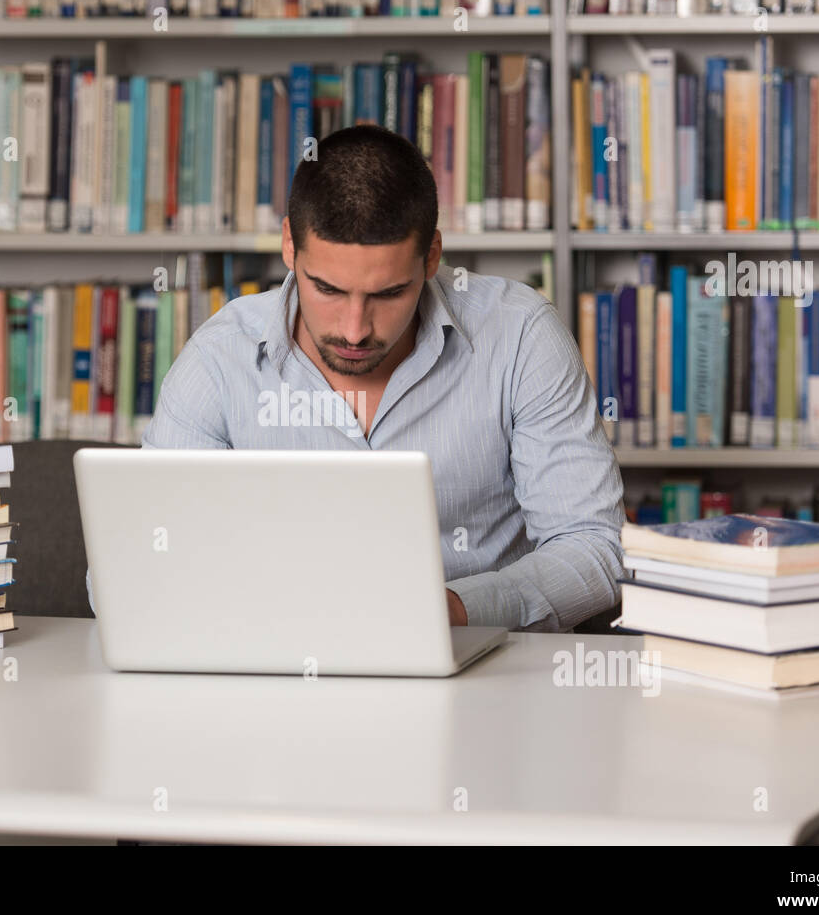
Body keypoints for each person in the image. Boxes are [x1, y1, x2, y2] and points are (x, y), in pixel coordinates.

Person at [88, 124, 624, 631]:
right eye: (327, 289)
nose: (354, 330)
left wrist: (455, 611)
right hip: (273, 682)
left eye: (388, 294)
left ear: (431, 256)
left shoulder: (520, 335)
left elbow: (594, 546)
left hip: (485, 672)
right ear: (289, 248)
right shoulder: (220, 358)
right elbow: (130, 567)